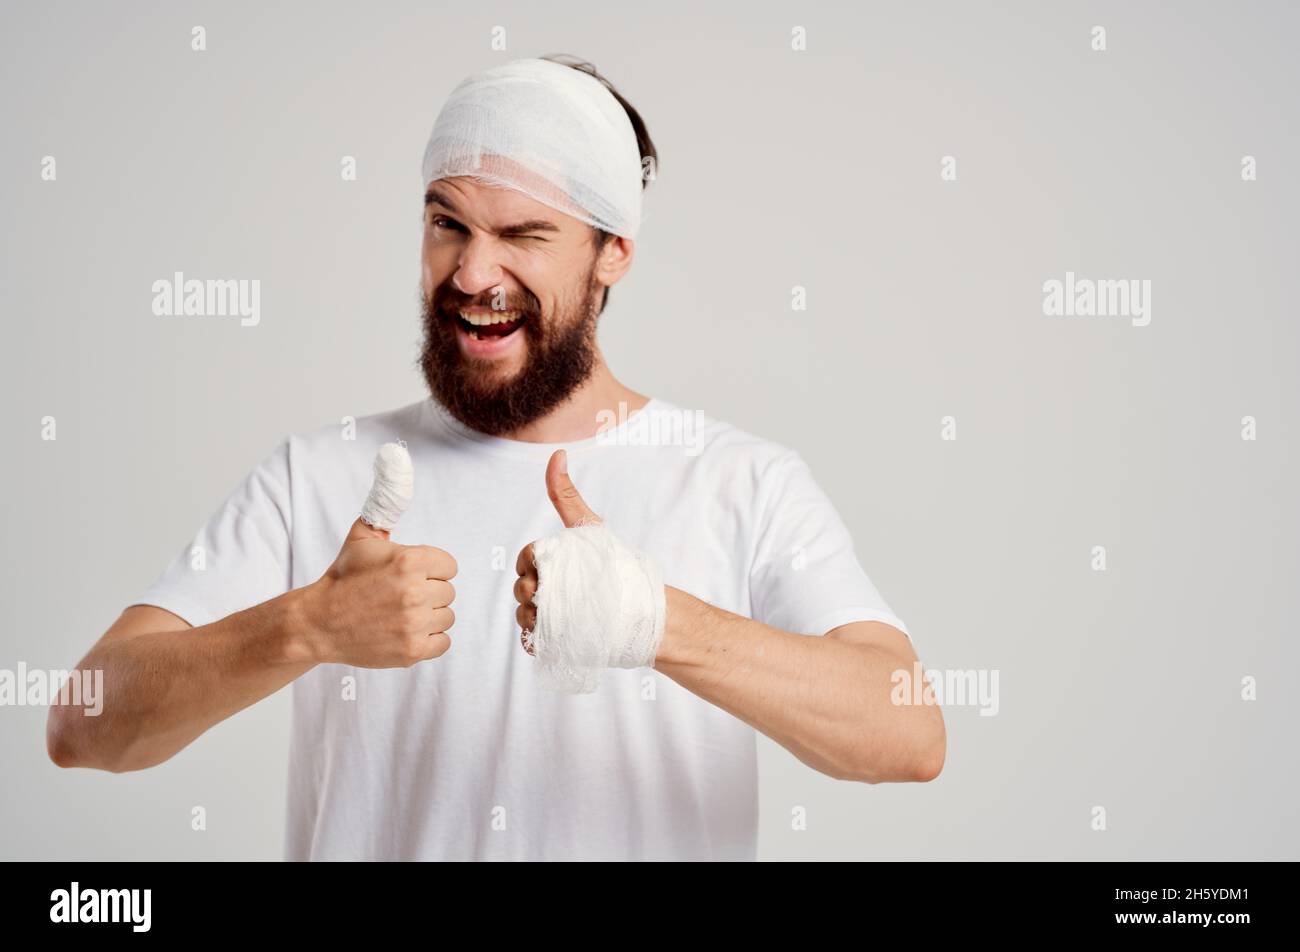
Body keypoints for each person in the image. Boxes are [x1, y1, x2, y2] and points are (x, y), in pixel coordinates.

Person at [46, 54, 945, 861]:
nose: (474, 274)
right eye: (449, 224)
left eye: (523, 236)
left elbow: (908, 734)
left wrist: (654, 621)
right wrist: (307, 626)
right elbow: (82, 724)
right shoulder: (318, 475)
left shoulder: (740, 481)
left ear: (613, 254)